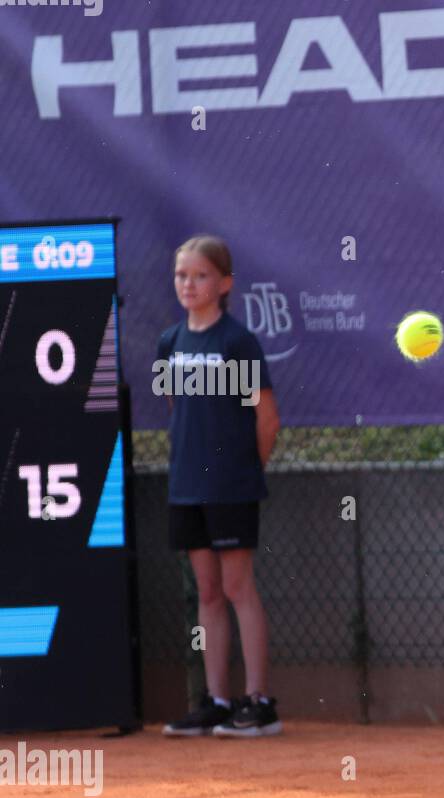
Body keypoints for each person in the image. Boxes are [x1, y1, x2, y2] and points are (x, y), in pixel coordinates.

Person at [160, 235, 283, 738]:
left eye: (201, 276)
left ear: (225, 283)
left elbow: (267, 418)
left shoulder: (237, 342)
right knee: (207, 592)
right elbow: (176, 410)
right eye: (182, 276)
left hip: (231, 485)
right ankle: (214, 701)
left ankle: (259, 702)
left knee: (237, 587)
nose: (190, 284)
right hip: (186, 486)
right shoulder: (169, 342)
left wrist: (242, 472)